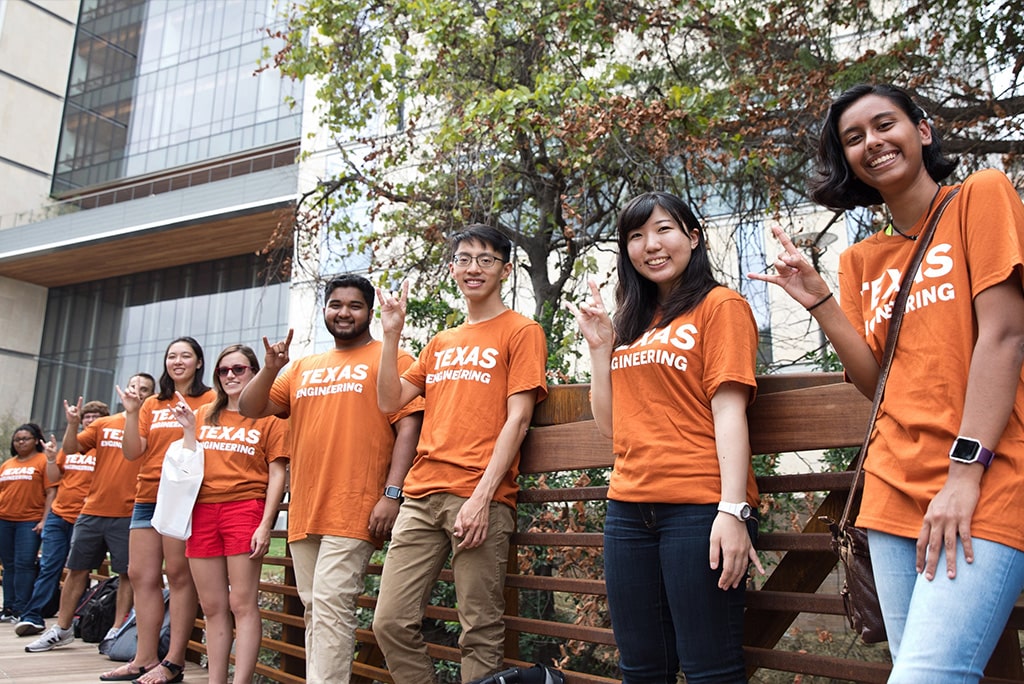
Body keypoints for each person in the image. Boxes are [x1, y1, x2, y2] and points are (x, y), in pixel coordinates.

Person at [749, 83, 1024, 682]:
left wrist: (963, 475)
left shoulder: (980, 197)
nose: (872, 142)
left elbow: (1004, 337)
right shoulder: (861, 260)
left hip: (984, 475)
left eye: (884, 124)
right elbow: (878, 381)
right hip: (892, 490)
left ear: (921, 131)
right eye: (853, 138)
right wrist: (820, 300)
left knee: (926, 673)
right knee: (920, 667)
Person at [568, 192, 763, 683]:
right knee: (641, 668)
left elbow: (729, 411)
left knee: (709, 670)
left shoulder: (721, 307)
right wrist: (600, 350)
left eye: (663, 230)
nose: (650, 245)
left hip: (700, 508)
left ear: (693, 238)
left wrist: (733, 509)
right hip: (628, 510)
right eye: (635, 236)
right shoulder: (633, 322)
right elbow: (613, 429)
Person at [374, 224, 549, 683]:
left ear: (505, 270)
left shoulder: (521, 331)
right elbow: (390, 401)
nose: (474, 268)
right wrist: (391, 335)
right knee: (388, 620)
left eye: (486, 259)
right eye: (465, 259)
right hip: (420, 495)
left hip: (480, 497)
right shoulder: (440, 342)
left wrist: (481, 497)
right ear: (453, 268)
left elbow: (519, 419)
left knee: (480, 629)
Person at [239, 274, 422, 683]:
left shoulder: (392, 357)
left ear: (370, 312)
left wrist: (392, 493)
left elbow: (408, 427)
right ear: (324, 310)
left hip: (356, 504)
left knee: (330, 604)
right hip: (307, 508)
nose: (344, 313)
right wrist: (270, 369)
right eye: (336, 305)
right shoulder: (303, 366)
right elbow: (251, 407)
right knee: (316, 608)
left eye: (354, 305)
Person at [169, 344, 287, 684]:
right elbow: (187, 465)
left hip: (244, 509)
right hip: (202, 512)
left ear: (254, 372)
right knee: (212, 607)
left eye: (239, 369)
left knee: (243, 604)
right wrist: (189, 431)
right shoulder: (205, 413)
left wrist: (266, 524)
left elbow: (277, 473)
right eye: (224, 371)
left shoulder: (269, 415)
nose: (231, 376)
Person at [102, 338, 215, 684]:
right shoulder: (153, 402)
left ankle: (173, 661)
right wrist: (133, 413)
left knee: (180, 578)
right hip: (147, 495)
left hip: (184, 497)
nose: (177, 361)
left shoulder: (211, 399)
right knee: (140, 575)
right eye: (171, 356)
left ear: (198, 362)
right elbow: (133, 452)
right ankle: (143, 658)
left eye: (185, 356)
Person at [24, 374, 156, 652]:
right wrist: (72, 424)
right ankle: (61, 628)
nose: (138, 393)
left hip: (131, 511)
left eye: (145, 390)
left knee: (127, 574)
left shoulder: (153, 426)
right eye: (134, 387)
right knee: (75, 569)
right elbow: (71, 449)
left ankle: (116, 629)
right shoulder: (104, 423)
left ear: (152, 395)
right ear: (125, 391)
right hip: (93, 509)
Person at [15, 400, 109, 637]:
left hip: (88, 517)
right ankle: (33, 616)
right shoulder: (71, 447)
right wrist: (49, 458)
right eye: (87, 416)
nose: (90, 420)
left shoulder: (107, 449)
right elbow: (55, 479)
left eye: (96, 416)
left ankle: (79, 618)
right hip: (59, 515)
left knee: (80, 569)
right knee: (50, 566)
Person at [0, 424, 57, 623]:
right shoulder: (7, 464)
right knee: (8, 566)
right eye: (17, 439)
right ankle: (8, 607)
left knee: (24, 564)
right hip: (4, 520)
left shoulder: (42, 461)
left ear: (35, 440)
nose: (21, 442)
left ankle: (22, 608)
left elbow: (51, 492)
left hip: (29, 521)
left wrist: (45, 519)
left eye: (25, 438)